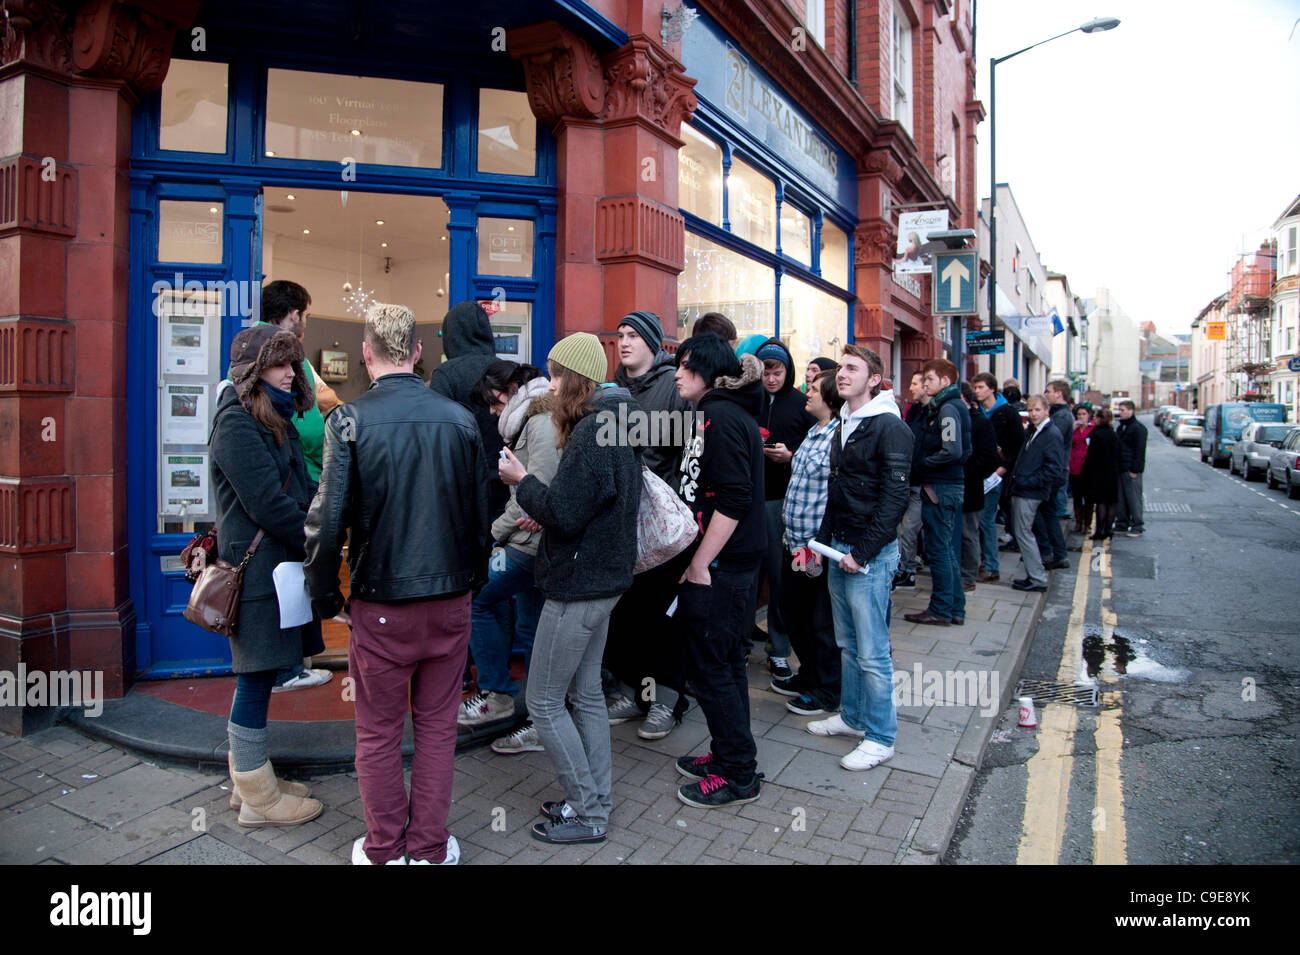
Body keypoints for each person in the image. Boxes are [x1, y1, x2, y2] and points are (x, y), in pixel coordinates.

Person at [305, 302, 490, 866]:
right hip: (449, 598)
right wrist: (470, 586)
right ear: (417, 353)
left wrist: (327, 597)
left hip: (383, 601)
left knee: (379, 731)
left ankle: (386, 848)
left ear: (365, 353)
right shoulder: (459, 420)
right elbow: (480, 518)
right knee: (436, 728)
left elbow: (325, 521)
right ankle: (429, 849)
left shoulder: (349, 421)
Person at [498, 333, 640, 845]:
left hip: (580, 586)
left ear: (572, 379)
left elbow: (564, 513)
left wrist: (521, 481)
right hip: (603, 581)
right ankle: (594, 801)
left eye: (556, 375)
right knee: (586, 696)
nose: (549, 385)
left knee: (544, 701)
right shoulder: (614, 423)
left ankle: (586, 812)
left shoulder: (593, 431)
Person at [211, 324, 323, 828]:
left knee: (263, 675)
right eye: (278, 364)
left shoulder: (276, 416)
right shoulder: (236, 422)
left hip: (274, 570)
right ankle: (258, 799)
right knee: (254, 679)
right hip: (254, 572)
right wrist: (317, 536)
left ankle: (250, 782)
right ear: (254, 372)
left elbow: (297, 488)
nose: (289, 372)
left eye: (291, 363)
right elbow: (267, 504)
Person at [672, 334, 767, 808]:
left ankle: (738, 774)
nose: (677, 373)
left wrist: (700, 562)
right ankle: (730, 754)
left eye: (686, 365)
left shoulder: (723, 418)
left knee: (713, 669)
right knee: (724, 667)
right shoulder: (715, 413)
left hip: (722, 567)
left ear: (709, 370)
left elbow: (734, 498)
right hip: (722, 564)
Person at [806, 345, 912, 771]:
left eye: (853, 369)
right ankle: (852, 718)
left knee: (872, 652)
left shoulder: (889, 426)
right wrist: (820, 543)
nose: (843, 374)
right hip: (838, 551)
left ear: (874, 379)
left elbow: (895, 499)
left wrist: (862, 554)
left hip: (869, 556)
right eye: (842, 368)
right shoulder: (846, 422)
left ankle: (881, 736)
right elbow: (838, 489)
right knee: (847, 644)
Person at [604, 310, 694, 740]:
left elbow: (687, 455)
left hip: (662, 525)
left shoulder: (672, 386)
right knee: (624, 614)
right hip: (620, 523)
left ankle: (665, 701)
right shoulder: (612, 388)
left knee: (660, 617)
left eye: (634, 335)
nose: (624, 342)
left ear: (653, 343)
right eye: (620, 335)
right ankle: (631, 693)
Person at [458, 362, 554, 757]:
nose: (493, 412)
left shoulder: (539, 419)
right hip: (534, 542)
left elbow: (536, 491)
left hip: (531, 546)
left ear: (512, 388)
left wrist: (493, 536)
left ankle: (497, 694)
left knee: (477, 601)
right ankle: (536, 718)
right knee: (530, 626)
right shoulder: (531, 417)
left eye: (494, 403)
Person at [772, 369, 842, 716]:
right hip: (794, 543)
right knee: (793, 611)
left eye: (813, 390)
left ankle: (828, 689)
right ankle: (809, 673)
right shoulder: (813, 432)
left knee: (819, 620)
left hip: (815, 548)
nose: (806, 394)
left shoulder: (838, 437)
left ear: (829, 398)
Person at [753, 338, 816, 679]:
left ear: (787, 370)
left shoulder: (802, 405)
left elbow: (814, 454)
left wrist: (788, 456)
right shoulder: (750, 399)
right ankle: (742, 640)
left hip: (784, 500)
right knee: (748, 576)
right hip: (748, 498)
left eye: (776, 372)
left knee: (781, 577)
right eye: (764, 372)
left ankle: (779, 649)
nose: (771, 379)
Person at [904, 359, 971, 627]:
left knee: (939, 551)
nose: (925, 383)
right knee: (945, 550)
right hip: (944, 486)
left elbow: (952, 450)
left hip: (940, 488)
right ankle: (954, 608)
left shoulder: (947, 408)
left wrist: (922, 465)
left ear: (944, 381)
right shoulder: (948, 406)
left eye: (930, 379)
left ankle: (941, 609)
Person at [429, 300, 508, 521]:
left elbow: (436, 435)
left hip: (461, 487)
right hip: (503, 483)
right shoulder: (504, 369)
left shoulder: (446, 374)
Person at [1008, 395, 1068, 593]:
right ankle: (1034, 575)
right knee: (1024, 532)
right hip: (1024, 489)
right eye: (1031, 410)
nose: (1033, 414)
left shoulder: (1051, 434)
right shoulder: (1036, 431)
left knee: (1024, 533)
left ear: (1047, 410)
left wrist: (1027, 481)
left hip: (1031, 492)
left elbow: (1053, 468)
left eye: (1037, 410)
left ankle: (1037, 577)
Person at [972, 372, 1022, 580]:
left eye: (981, 387)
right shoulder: (977, 412)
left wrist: (1004, 468)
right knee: (976, 521)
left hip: (996, 474)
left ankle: (991, 566)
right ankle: (982, 562)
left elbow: (1018, 444)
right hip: (978, 472)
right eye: (975, 388)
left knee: (986, 520)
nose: (977, 392)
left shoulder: (1008, 413)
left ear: (992, 389)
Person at [959, 382, 1000, 592]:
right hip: (954, 489)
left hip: (971, 489)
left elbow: (990, 459)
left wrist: (967, 473)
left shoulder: (980, 423)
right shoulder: (956, 419)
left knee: (968, 534)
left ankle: (968, 576)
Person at [1032, 379, 1074, 571]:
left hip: (1053, 474)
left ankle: (1053, 552)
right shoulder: (1061, 414)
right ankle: (1056, 553)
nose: (1045, 394)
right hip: (1055, 472)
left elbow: (1049, 442)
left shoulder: (1062, 416)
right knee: (1046, 513)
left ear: (1058, 394)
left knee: (1044, 513)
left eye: (1048, 391)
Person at [894, 371, 928, 590]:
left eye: (915, 383)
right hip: (906, 482)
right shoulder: (915, 411)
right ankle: (902, 569)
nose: (911, 387)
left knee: (909, 531)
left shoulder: (936, 413)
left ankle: (908, 570)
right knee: (899, 531)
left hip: (918, 484)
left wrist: (920, 468)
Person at [1081, 407, 1121, 541]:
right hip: (1112, 472)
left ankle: (1099, 531)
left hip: (1099, 472)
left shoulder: (1096, 435)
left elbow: (1091, 457)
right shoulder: (1113, 434)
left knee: (1101, 502)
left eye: (1095, 417)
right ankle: (1108, 529)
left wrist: (1085, 473)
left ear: (1099, 419)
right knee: (1111, 502)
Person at [1114, 400, 1148, 536]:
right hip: (1120, 467)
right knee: (1121, 499)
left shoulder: (1138, 429)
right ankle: (1122, 523)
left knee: (1133, 498)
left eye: (1122, 410)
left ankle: (1137, 525)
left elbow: (1140, 451)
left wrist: (1136, 469)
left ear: (1131, 411)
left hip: (1131, 469)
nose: (1119, 413)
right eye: (1119, 410)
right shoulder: (1121, 427)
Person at [1070, 405, 1095, 535]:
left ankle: (1088, 524)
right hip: (1074, 466)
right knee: (1077, 496)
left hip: (1088, 467)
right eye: (1079, 414)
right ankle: (1078, 523)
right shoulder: (1073, 429)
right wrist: (1073, 428)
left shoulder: (1093, 428)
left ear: (1089, 415)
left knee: (1089, 497)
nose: (1081, 417)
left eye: (1083, 414)